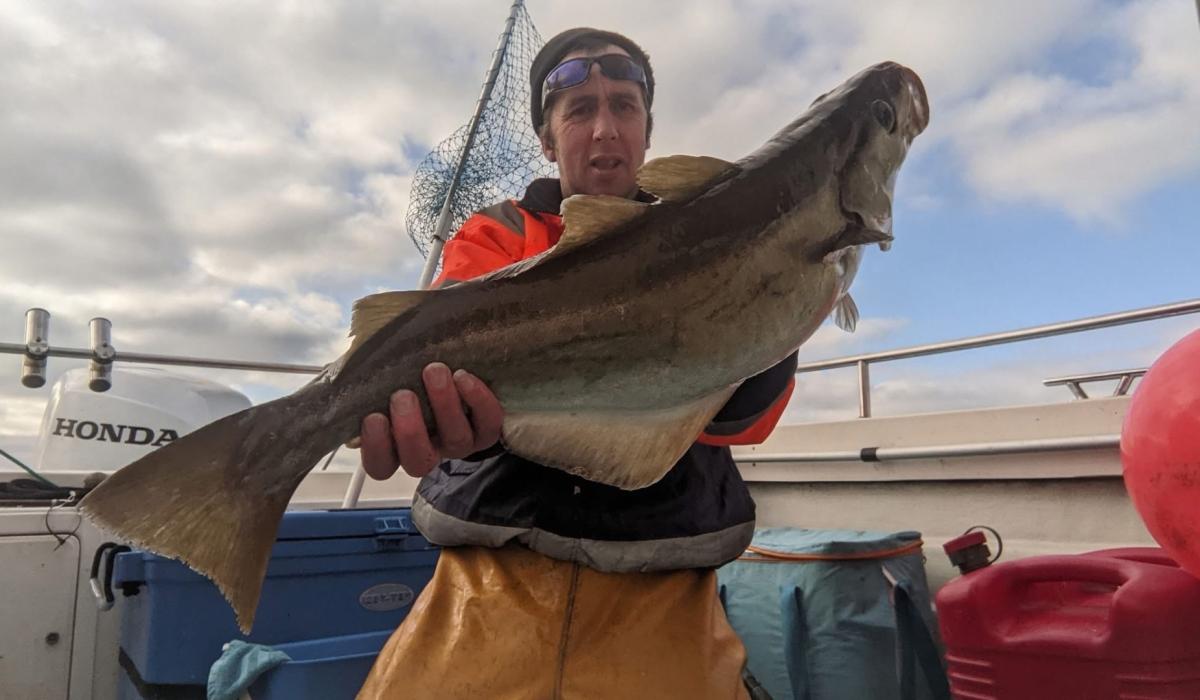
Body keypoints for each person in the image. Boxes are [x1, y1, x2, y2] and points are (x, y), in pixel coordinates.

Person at [356, 28, 797, 699]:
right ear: (546, 138)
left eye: (624, 106)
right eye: (579, 110)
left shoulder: (711, 238)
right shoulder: (501, 233)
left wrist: (771, 304)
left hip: (665, 594)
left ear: (648, 129)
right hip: (488, 589)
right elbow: (443, 337)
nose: (604, 130)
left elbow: (745, 420)